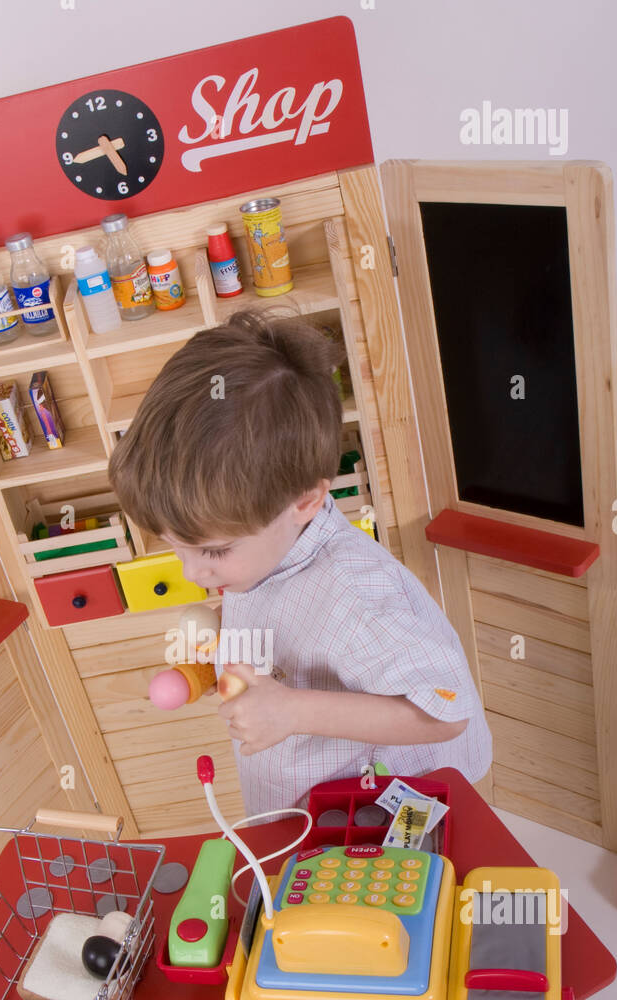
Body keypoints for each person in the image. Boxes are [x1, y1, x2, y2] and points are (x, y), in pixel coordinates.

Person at [109, 308, 492, 817]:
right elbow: (288, 620)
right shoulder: (266, 542)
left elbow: (447, 712)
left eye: (214, 551)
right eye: (172, 545)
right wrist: (222, 644)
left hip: (386, 814)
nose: (191, 574)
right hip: (305, 798)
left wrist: (292, 711)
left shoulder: (355, 592)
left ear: (305, 502)